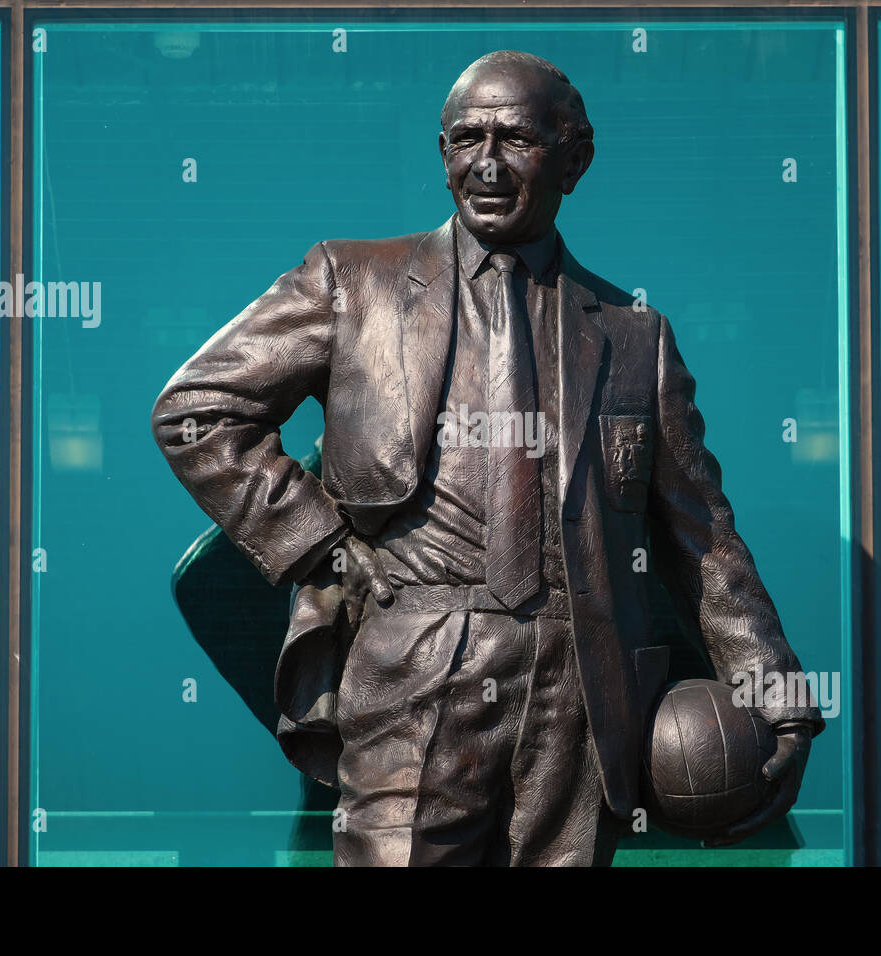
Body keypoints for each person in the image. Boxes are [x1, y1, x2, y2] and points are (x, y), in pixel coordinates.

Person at [152, 50, 824, 866]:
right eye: (466, 139)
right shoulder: (350, 284)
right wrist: (319, 544)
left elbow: (702, 538)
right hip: (412, 664)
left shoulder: (633, 337)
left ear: (573, 158)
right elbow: (198, 411)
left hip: (579, 699)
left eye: (515, 138)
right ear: (442, 157)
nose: (487, 163)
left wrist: (775, 688)